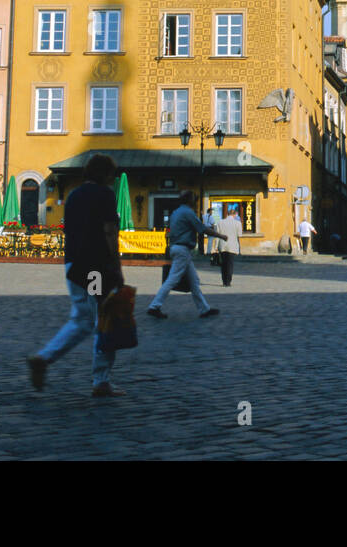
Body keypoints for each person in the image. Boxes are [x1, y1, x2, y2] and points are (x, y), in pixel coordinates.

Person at [27, 153, 126, 398]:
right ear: (104, 174)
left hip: (73, 265)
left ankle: (44, 358)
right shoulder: (105, 195)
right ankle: (101, 380)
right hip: (96, 269)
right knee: (105, 319)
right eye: (111, 174)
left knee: (82, 318)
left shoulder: (73, 196)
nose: (113, 179)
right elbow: (109, 232)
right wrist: (117, 268)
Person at [147, 190, 225, 319]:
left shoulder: (176, 212)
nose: (195, 201)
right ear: (189, 200)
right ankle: (154, 306)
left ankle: (204, 309)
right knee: (172, 279)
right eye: (194, 199)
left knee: (194, 281)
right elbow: (202, 228)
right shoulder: (188, 213)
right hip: (183, 249)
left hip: (178, 248)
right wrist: (220, 235)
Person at [214, 205, 241, 286]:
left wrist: (215, 247)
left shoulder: (220, 222)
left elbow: (217, 235)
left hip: (222, 245)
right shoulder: (237, 223)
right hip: (232, 246)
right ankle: (228, 281)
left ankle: (224, 281)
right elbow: (239, 234)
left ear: (227, 214)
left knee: (223, 264)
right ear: (235, 214)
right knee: (230, 264)